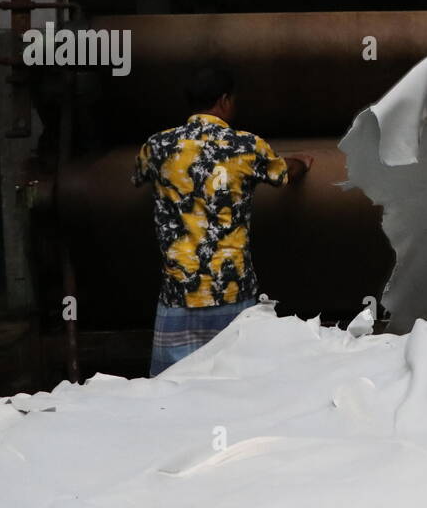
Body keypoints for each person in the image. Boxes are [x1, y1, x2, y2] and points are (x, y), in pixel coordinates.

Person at [132, 65, 312, 375]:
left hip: (179, 295)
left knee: (170, 389)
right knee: (236, 384)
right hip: (233, 293)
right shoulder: (246, 146)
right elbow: (284, 174)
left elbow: (137, 177)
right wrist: (302, 163)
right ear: (225, 100)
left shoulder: (157, 146)